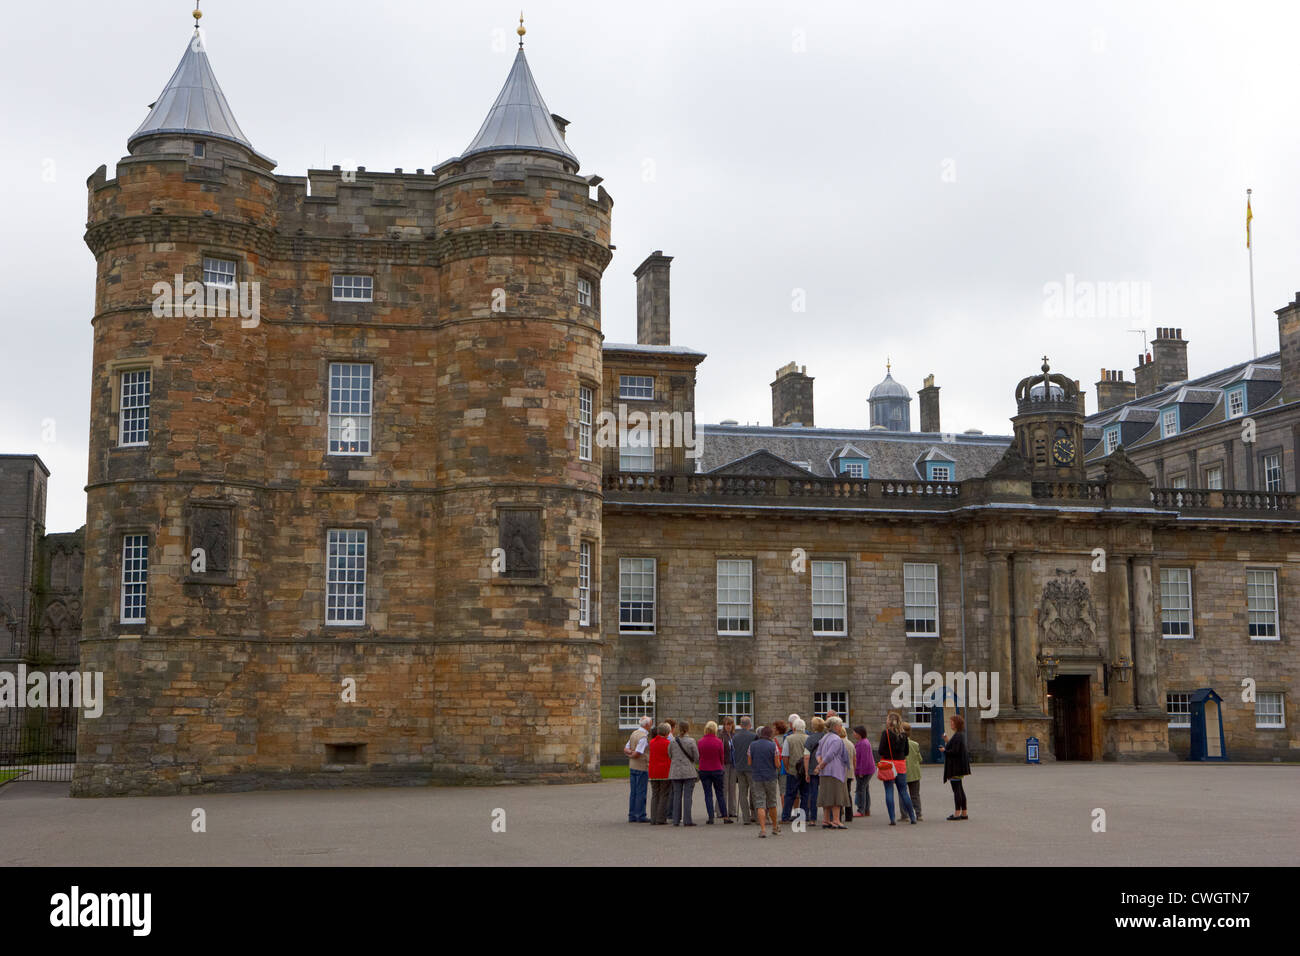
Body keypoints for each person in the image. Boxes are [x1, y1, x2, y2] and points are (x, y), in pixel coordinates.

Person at [878, 711, 917, 825]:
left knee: (889, 791)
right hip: (900, 764)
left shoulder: (885, 733)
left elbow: (880, 750)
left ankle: (892, 818)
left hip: (888, 765)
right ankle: (912, 817)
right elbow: (906, 752)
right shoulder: (904, 735)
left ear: (889, 721)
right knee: (903, 791)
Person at [814, 716, 850, 829]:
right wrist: (820, 765)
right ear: (835, 726)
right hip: (835, 772)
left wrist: (820, 763)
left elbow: (818, 753)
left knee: (827, 796)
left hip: (825, 773)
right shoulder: (836, 739)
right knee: (836, 797)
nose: (841, 727)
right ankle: (836, 820)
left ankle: (826, 820)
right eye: (840, 725)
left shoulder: (824, 738)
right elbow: (830, 755)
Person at [747, 725, 782, 837]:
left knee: (760, 803)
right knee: (772, 803)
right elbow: (777, 764)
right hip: (770, 777)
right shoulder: (773, 745)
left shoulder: (752, 745)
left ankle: (762, 829)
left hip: (757, 776)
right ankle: (775, 827)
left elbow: (749, 762)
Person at [697, 721, 732, 824]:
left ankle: (711, 817)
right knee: (720, 793)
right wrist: (721, 766)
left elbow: (699, 756)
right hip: (716, 769)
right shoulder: (718, 742)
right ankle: (725, 816)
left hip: (704, 769)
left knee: (708, 794)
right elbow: (721, 757)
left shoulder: (700, 742)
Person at [940, 713, 972, 820]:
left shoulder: (958, 735)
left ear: (957, 724)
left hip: (955, 768)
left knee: (956, 790)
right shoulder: (959, 735)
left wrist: (944, 750)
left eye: (952, 722)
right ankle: (964, 812)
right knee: (960, 789)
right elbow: (955, 747)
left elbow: (954, 751)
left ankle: (957, 813)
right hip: (959, 767)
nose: (951, 724)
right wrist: (947, 741)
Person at [668, 719, 700, 826]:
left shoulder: (672, 741)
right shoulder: (691, 741)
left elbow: (670, 755)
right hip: (688, 771)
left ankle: (676, 820)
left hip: (675, 771)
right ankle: (687, 820)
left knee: (677, 796)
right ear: (687, 729)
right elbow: (696, 758)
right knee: (687, 796)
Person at [624, 715, 653, 823]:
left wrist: (630, 753)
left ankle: (632, 815)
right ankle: (641, 815)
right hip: (641, 766)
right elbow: (638, 753)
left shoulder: (634, 733)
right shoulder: (643, 737)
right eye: (650, 723)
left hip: (632, 766)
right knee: (641, 792)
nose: (651, 726)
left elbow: (626, 748)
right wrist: (633, 754)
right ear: (646, 725)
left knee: (633, 792)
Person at [780, 717, 808, 823]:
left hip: (793, 770)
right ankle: (803, 816)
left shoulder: (789, 738)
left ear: (794, 727)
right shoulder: (808, 738)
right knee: (805, 794)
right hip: (805, 770)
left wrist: (787, 767)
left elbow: (785, 756)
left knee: (790, 795)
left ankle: (785, 816)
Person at [732, 716, 757, 825]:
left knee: (742, 793)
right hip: (751, 767)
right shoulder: (754, 736)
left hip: (739, 767)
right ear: (749, 725)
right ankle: (756, 815)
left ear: (741, 725)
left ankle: (746, 818)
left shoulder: (735, 737)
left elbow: (733, 752)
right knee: (754, 791)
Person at [803, 716, 826, 823]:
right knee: (827, 793)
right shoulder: (827, 737)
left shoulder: (810, 738)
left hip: (813, 769)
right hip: (826, 768)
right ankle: (829, 817)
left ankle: (813, 818)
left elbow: (806, 756)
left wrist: (806, 772)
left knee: (813, 793)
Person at [648, 723, 672, 825]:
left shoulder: (652, 742)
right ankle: (661, 818)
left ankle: (653, 818)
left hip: (653, 771)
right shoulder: (668, 743)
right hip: (664, 771)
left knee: (655, 795)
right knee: (664, 795)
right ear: (667, 733)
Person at [903, 720, 924, 822]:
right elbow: (920, 759)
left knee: (903, 794)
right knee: (915, 795)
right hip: (915, 773)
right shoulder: (915, 744)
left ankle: (904, 815)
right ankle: (919, 814)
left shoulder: (899, 744)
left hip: (903, 772)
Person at [853, 725, 875, 818]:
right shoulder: (862, 742)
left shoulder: (863, 743)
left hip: (864, 770)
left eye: (855, 732)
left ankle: (861, 810)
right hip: (866, 770)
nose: (853, 734)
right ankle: (866, 809)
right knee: (865, 789)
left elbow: (864, 759)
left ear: (859, 734)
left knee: (861, 789)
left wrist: (861, 772)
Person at [836, 721, 855, 825]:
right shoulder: (851, 744)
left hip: (840, 771)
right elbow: (854, 759)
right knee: (848, 793)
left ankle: (837, 815)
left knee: (839, 794)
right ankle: (849, 815)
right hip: (849, 771)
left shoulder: (838, 743)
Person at [721, 716, 739, 821]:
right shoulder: (721, 735)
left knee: (732, 787)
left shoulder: (734, 735)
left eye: (730, 724)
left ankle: (732, 810)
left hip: (733, 764)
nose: (728, 726)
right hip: (724, 763)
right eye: (727, 724)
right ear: (724, 725)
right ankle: (721, 810)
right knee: (724, 787)